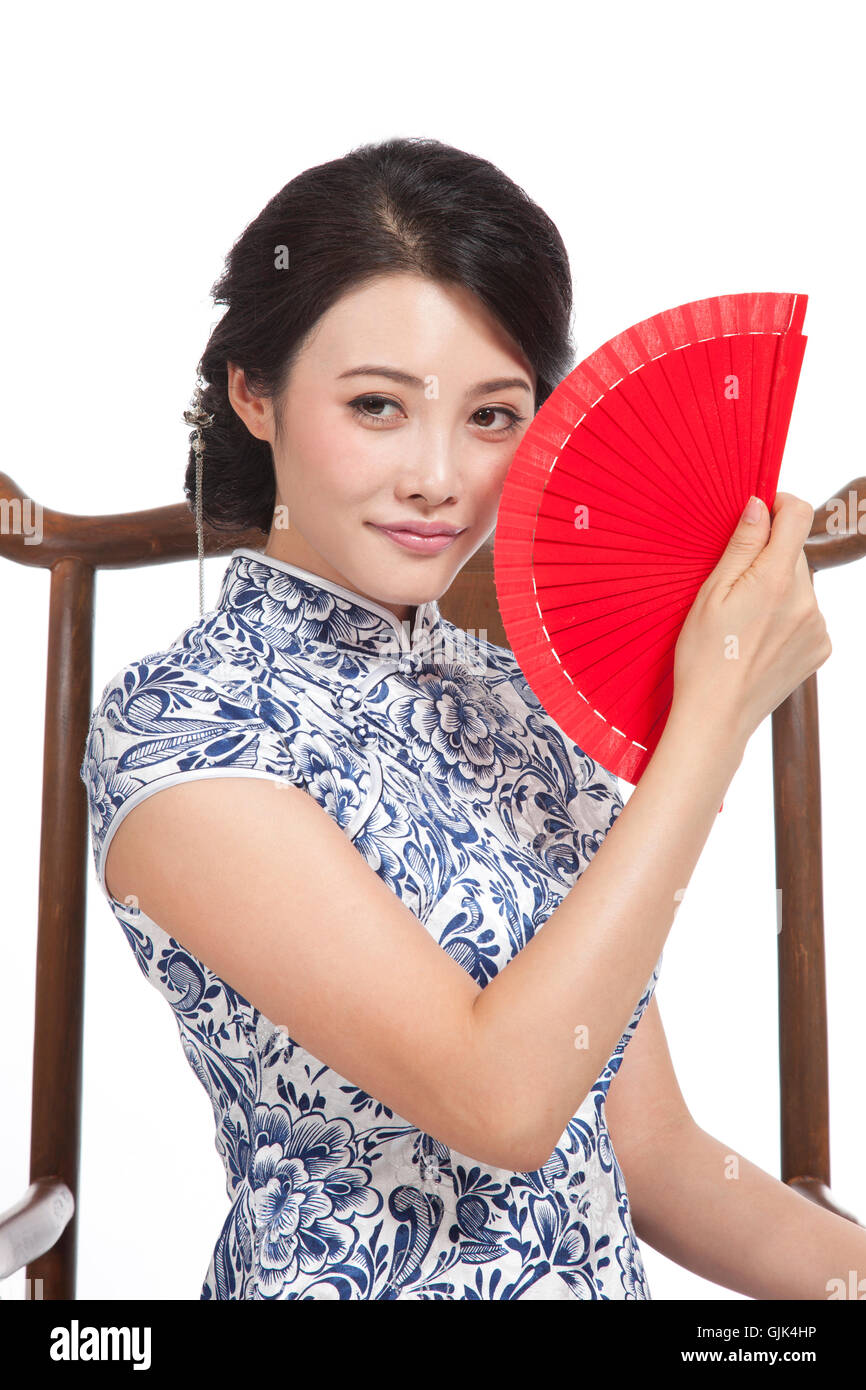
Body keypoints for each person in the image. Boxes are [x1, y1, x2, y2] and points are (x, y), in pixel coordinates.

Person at [80, 136, 847, 1301]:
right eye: (378, 406)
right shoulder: (181, 731)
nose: (438, 477)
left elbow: (653, 1163)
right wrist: (714, 714)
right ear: (254, 393)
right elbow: (502, 1105)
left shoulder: (511, 708)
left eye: (493, 417)